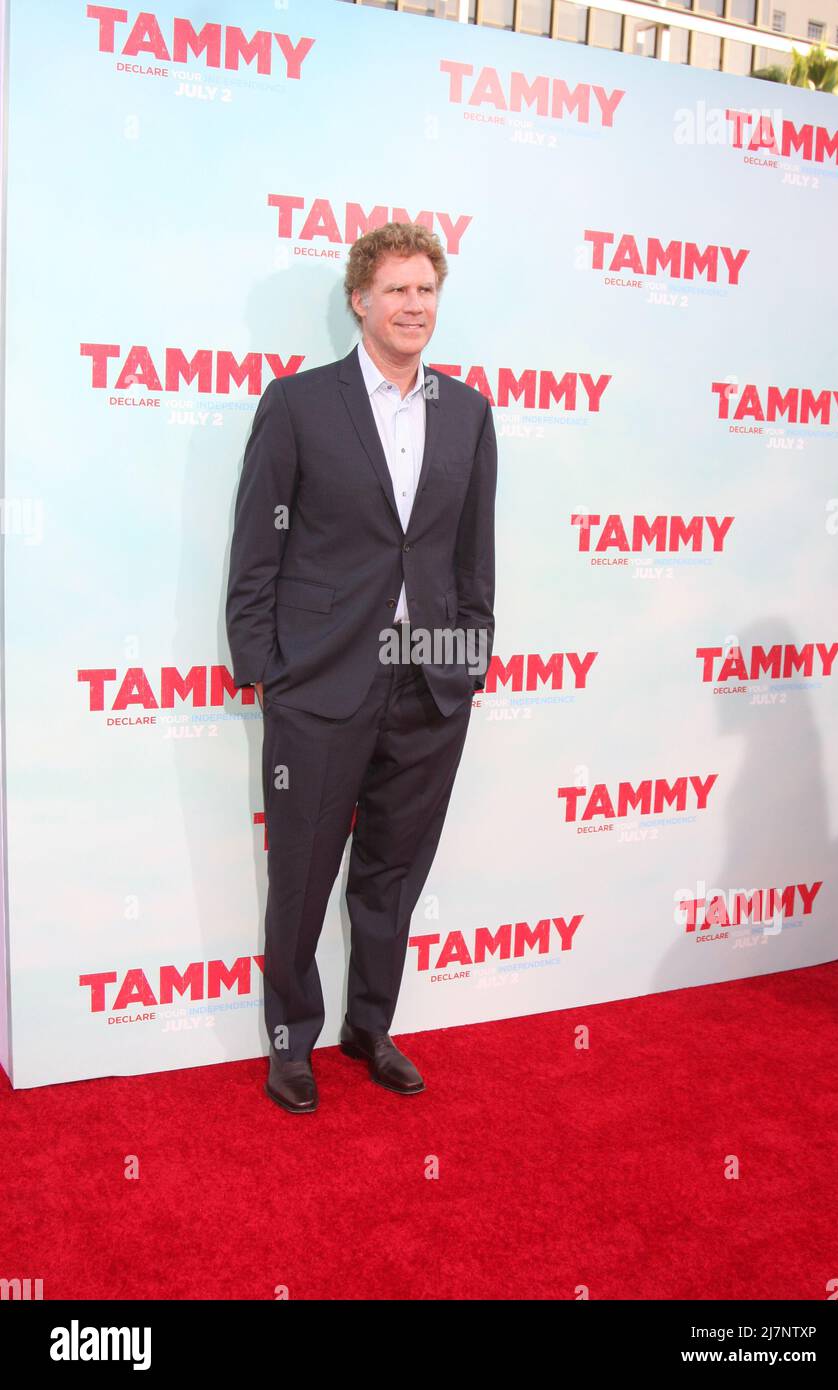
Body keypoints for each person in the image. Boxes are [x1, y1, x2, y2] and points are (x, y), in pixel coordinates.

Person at [225, 222, 497, 1114]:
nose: (414, 306)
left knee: (393, 869)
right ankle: (289, 1041)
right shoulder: (300, 403)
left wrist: (471, 654)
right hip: (322, 679)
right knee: (302, 868)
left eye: (427, 291)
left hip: (430, 676)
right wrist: (267, 666)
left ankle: (370, 1027)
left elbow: (471, 552)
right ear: (360, 300)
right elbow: (255, 547)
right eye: (397, 291)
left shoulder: (467, 410)